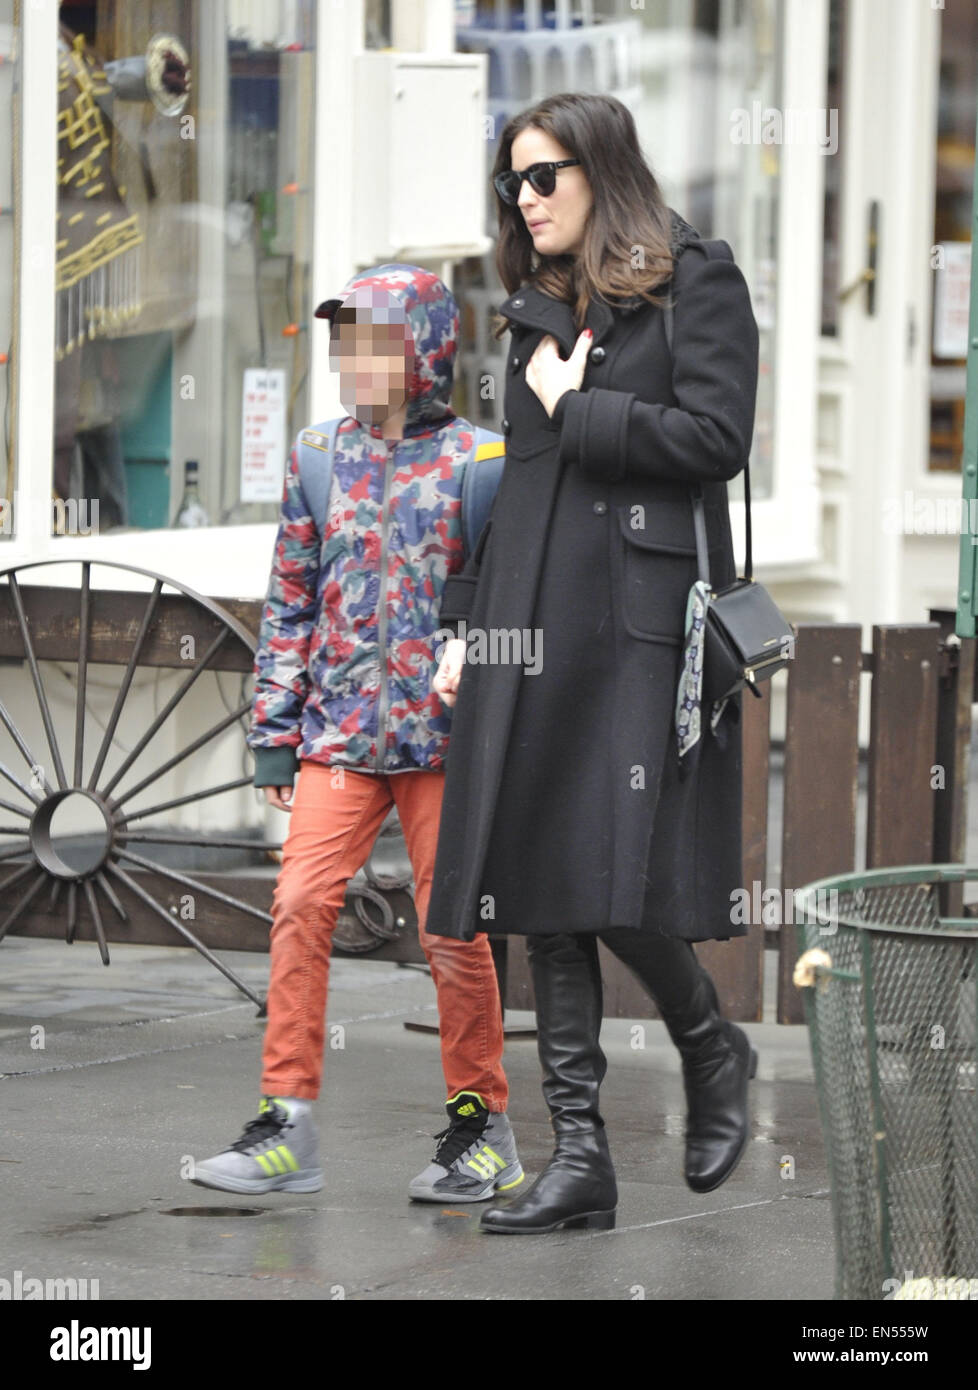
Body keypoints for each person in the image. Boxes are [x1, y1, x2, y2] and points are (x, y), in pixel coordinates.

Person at [428, 93, 760, 1234]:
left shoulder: (695, 279)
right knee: (533, 881)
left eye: (543, 177)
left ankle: (712, 1045)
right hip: (532, 622)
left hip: (635, 623)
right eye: (512, 185)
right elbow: (516, 484)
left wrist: (589, 409)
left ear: (599, 170)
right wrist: (465, 618)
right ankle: (579, 1158)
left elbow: (719, 439)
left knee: (613, 878)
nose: (525, 202)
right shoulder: (533, 309)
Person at [192, 265, 521, 1204]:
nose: (349, 360)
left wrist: (476, 664)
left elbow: (502, 603)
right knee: (298, 902)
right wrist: (274, 735)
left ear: (423, 349)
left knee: (451, 929)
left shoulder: (482, 465)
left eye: (371, 341)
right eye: (341, 342)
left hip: (442, 743)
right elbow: (290, 601)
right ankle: (286, 1126)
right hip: (336, 734)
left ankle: (481, 1128)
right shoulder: (315, 458)